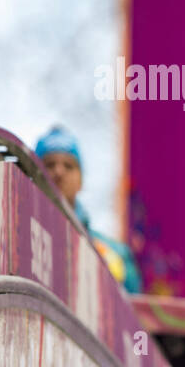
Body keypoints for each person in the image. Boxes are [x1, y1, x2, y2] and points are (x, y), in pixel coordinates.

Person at [35, 124, 142, 293]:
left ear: (81, 181)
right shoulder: (17, 241)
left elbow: (133, 314)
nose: (59, 172)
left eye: (69, 165)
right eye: (49, 164)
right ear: (32, 174)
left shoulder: (114, 255)